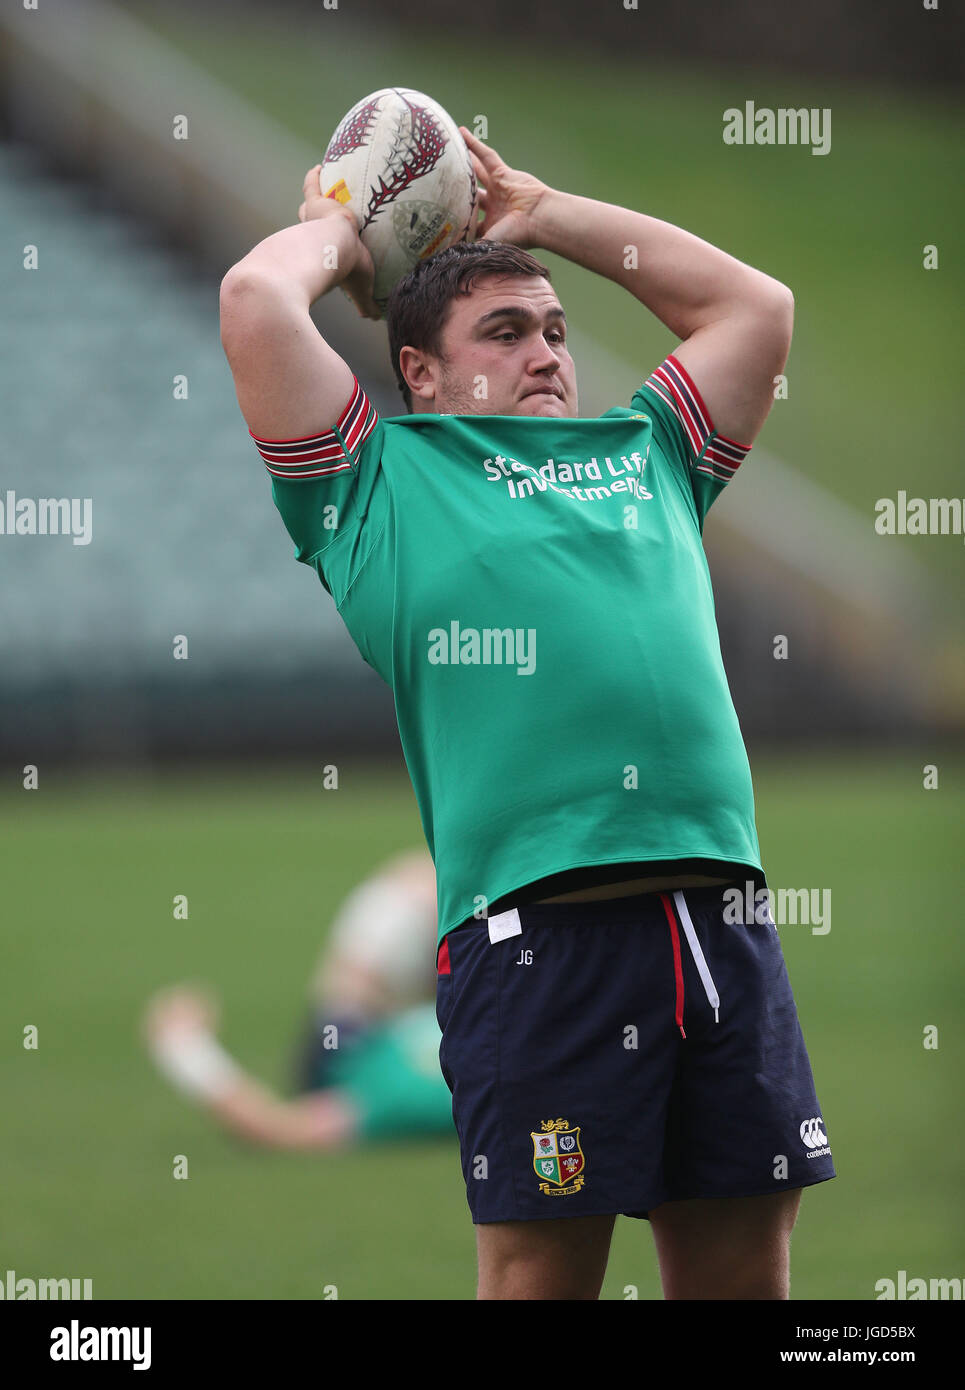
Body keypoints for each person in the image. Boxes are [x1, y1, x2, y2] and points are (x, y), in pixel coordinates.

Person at [218, 125, 835, 1300]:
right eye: (503, 333)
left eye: (553, 330)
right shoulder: (381, 496)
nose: (546, 352)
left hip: (716, 922)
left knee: (746, 1278)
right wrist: (343, 230)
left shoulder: (646, 449)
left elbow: (756, 307)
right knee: (538, 1282)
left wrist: (543, 212)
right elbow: (256, 298)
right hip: (539, 944)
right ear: (423, 376)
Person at [143, 850, 454, 1149]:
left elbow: (282, 1128)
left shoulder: (412, 1082)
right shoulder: (424, 1041)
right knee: (417, 885)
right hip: (371, 1034)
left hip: (358, 1047)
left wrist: (184, 1049)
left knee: (414, 892)